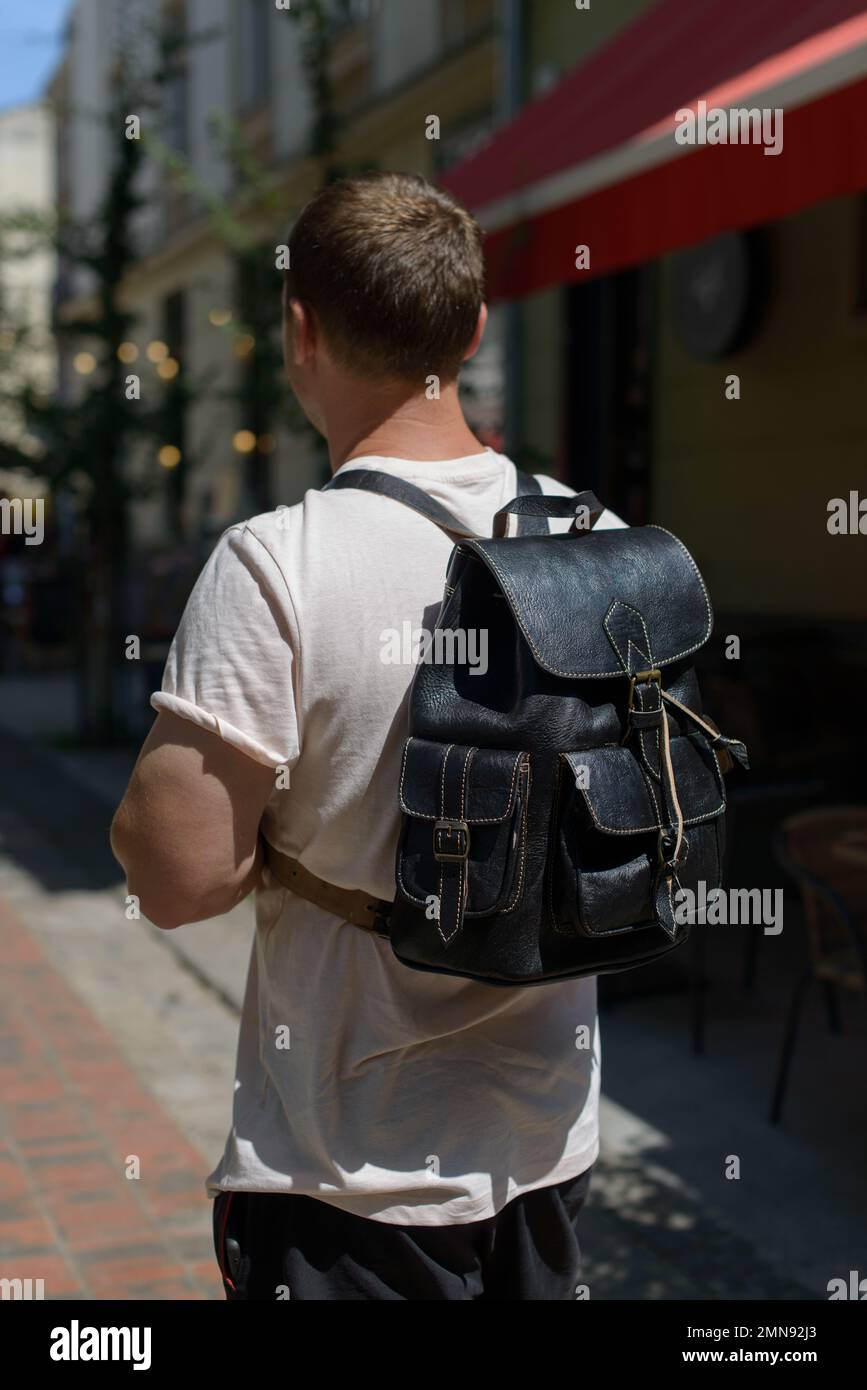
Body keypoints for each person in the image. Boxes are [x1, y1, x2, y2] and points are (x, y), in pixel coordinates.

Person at [111, 171, 622, 1301]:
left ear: (301, 329)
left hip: (347, 1177)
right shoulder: (599, 537)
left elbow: (179, 876)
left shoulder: (275, 562)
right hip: (551, 1148)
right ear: (475, 328)